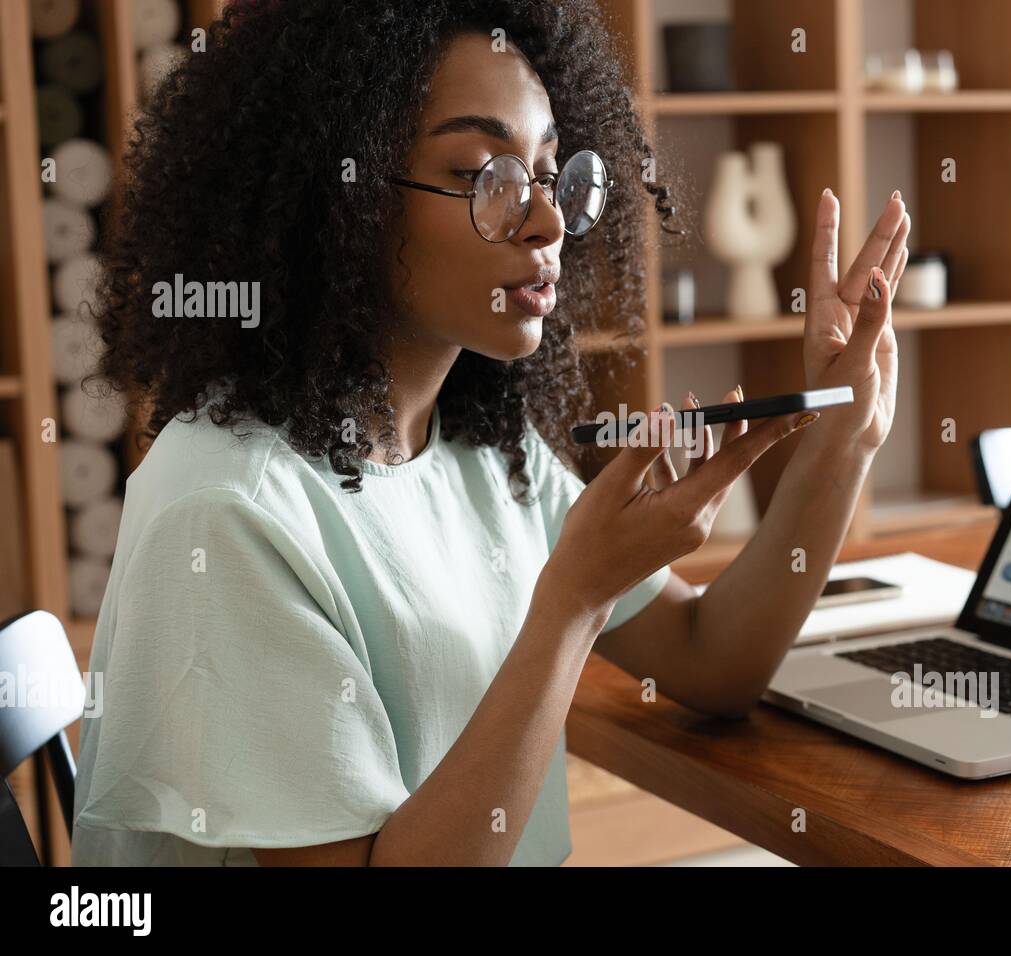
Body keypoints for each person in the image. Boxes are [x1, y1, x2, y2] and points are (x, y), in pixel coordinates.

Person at [71, 0, 909, 866]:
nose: (545, 222)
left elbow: (712, 659)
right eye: (486, 175)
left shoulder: (477, 446)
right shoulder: (227, 514)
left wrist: (846, 435)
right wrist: (572, 603)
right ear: (339, 198)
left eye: (551, 173)